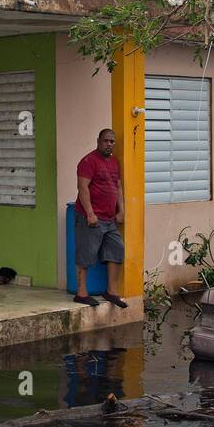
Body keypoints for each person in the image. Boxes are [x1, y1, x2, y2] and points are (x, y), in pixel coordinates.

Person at [73, 127, 128, 308]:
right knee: (86, 254)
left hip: (109, 219)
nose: (109, 144)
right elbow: (83, 187)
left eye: (112, 141)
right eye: (106, 141)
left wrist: (121, 210)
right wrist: (90, 213)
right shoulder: (89, 161)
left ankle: (111, 291)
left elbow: (118, 187)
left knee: (116, 250)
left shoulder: (113, 162)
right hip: (90, 217)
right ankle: (81, 294)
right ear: (98, 141)